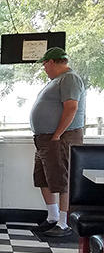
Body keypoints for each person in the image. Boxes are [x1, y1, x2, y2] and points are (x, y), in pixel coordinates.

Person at [30, 46, 86, 237]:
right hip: (45, 139)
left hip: (61, 137)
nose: (44, 69)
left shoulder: (69, 78)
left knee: (62, 179)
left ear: (51, 62)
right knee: (44, 178)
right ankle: (52, 217)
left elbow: (71, 108)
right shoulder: (57, 81)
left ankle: (63, 223)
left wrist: (57, 135)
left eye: (45, 65)